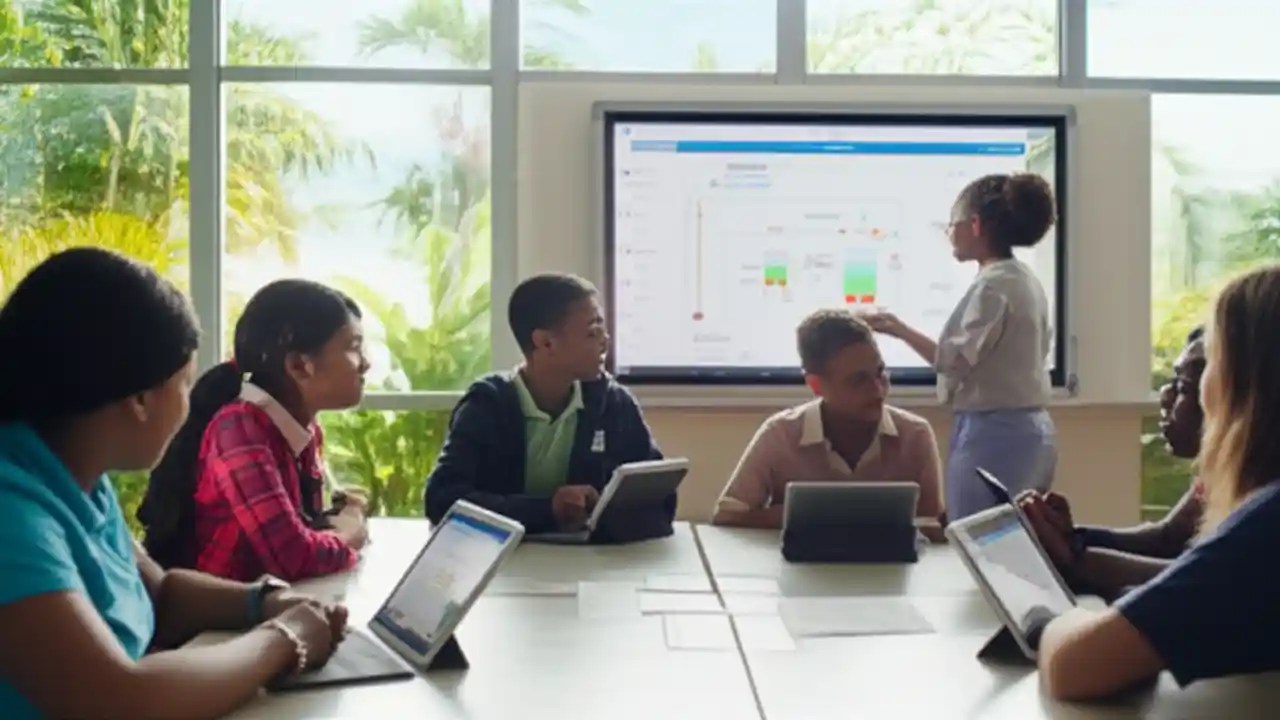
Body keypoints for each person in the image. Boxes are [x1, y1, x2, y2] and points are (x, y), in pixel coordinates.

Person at [0, 248, 347, 719]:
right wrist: (284, 640)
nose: (190, 403)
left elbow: (161, 594)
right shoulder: (12, 513)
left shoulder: (73, 475)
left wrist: (266, 601)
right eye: (184, 383)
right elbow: (119, 699)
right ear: (140, 400)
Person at [1037, 265, 1280, 700]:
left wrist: (1057, 616)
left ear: (1246, 383)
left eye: (1213, 362)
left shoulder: (1270, 523)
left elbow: (1072, 667)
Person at [139, 279, 371, 582]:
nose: (365, 363)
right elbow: (292, 557)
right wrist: (351, 531)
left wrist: (335, 528)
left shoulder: (304, 431)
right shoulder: (239, 430)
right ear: (299, 366)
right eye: (353, 348)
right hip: (222, 623)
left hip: (271, 612)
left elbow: (308, 537)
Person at [863, 173, 1057, 520]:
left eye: (952, 224)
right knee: (1016, 540)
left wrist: (898, 329)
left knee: (976, 537)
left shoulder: (994, 287)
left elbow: (953, 361)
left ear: (976, 225)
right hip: (1029, 431)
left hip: (995, 434)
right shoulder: (1024, 280)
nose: (949, 233)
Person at [425, 273, 665, 534]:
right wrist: (548, 509)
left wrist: (604, 510)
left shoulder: (615, 404)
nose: (605, 341)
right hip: (506, 564)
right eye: (592, 332)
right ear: (545, 342)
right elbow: (442, 500)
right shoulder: (487, 406)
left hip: (590, 565)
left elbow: (661, 502)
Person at [713, 309, 944, 535]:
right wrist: (804, 517)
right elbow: (727, 516)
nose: (877, 389)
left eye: (880, 372)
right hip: (802, 569)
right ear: (816, 386)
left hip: (894, 571)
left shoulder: (915, 434)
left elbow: (932, 527)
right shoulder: (781, 433)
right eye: (858, 380)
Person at [1018, 328, 1206, 601]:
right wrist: (1075, 538)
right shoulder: (1215, 475)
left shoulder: (1261, 490)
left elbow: (1200, 583)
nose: (1165, 396)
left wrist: (1075, 562)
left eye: (1184, 387)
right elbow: (1167, 538)